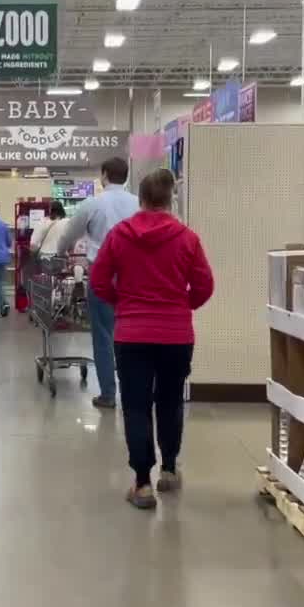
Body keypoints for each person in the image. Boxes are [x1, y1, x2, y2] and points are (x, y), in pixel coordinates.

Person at [89, 168, 214, 510]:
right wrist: (181, 306)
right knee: (170, 401)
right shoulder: (188, 238)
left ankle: (142, 483)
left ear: (141, 199)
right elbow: (205, 286)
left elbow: (99, 281)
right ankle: (170, 470)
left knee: (136, 405)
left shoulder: (119, 236)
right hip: (176, 334)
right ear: (171, 198)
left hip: (131, 333)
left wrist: (123, 304)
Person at [57, 157, 139, 409]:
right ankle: (134, 392)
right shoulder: (138, 203)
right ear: (125, 176)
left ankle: (107, 394)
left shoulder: (93, 204)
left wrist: (61, 252)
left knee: (103, 335)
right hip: (134, 277)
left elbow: (69, 234)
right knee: (132, 335)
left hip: (102, 276)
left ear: (104, 175)